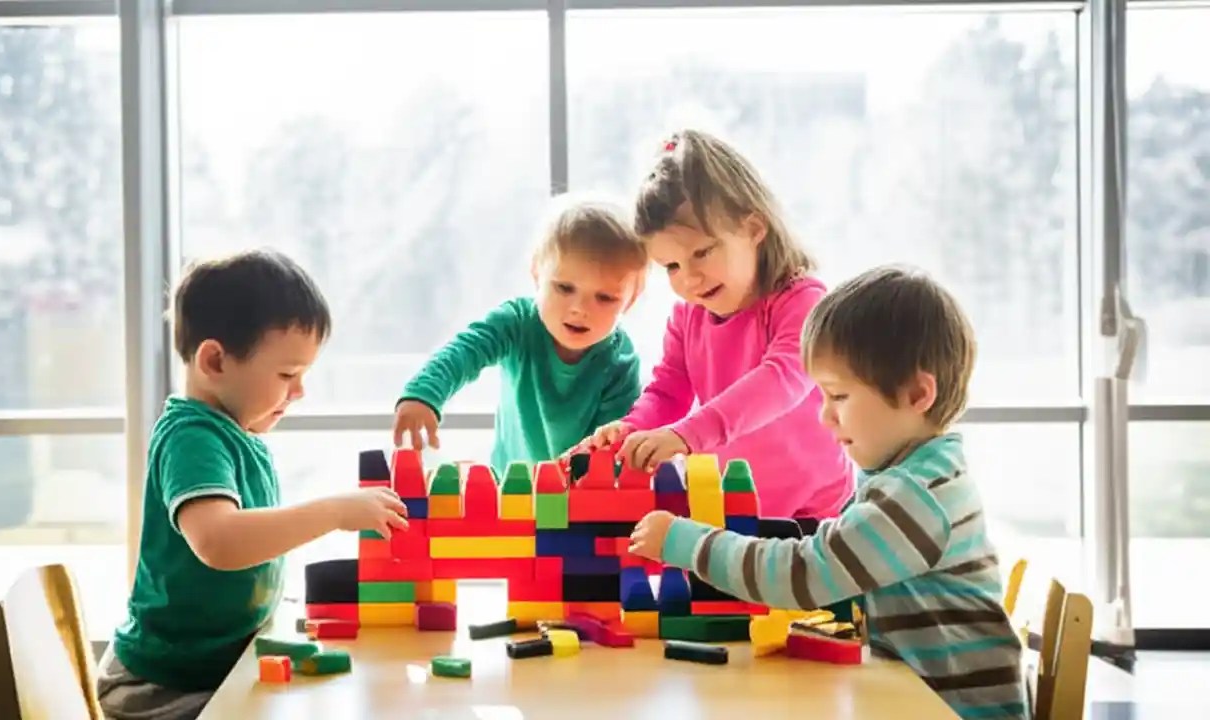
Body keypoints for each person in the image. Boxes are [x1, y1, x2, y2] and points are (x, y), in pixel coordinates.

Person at [629, 265, 1028, 720]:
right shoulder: (917, 475)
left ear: (918, 394)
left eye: (838, 397)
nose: (825, 417)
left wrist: (685, 542)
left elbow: (805, 574)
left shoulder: (914, 498)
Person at [98, 248, 408, 720]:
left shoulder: (233, 431)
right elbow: (220, 542)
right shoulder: (192, 438)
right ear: (215, 361)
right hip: (163, 684)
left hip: (218, 667)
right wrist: (335, 513)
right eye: (287, 374)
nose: (299, 391)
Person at [583, 129, 851, 520]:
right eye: (672, 266)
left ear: (754, 228)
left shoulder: (803, 302)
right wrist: (631, 429)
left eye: (702, 252)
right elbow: (667, 392)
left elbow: (781, 380)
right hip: (725, 509)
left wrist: (686, 436)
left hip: (815, 512)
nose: (689, 279)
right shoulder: (687, 316)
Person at [394, 195, 648, 470]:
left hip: (579, 498)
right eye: (564, 288)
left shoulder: (620, 362)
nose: (579, 309)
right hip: (511, 488)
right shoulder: (516, 323)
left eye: (605, 298)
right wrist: (423, 395)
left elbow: (611, 451)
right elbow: (463, 352)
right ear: (537, 274)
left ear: (630, 300)